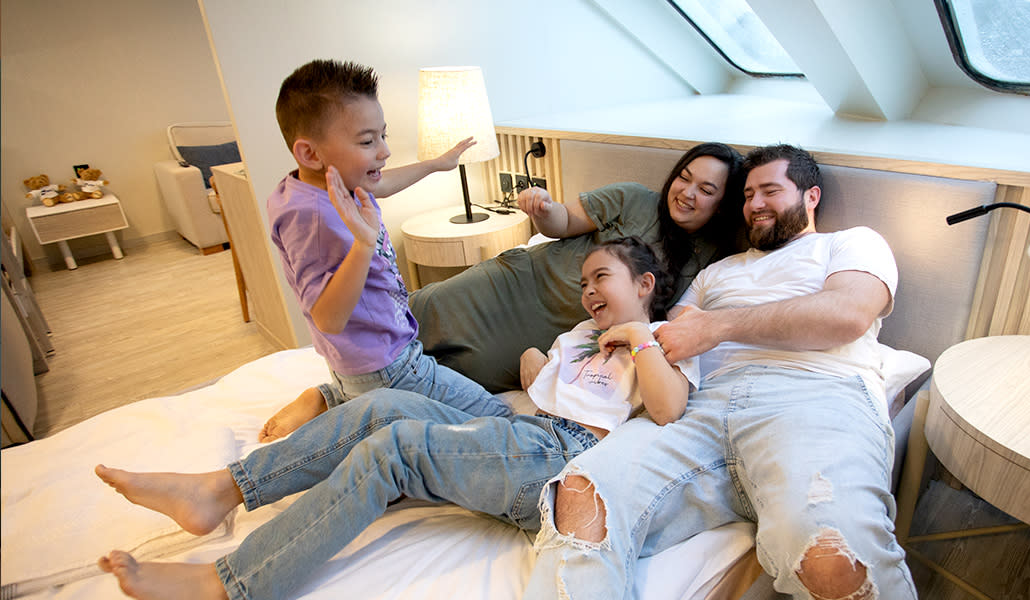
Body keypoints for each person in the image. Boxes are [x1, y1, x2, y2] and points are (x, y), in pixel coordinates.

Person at [95, 237, 701, 600]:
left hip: (559, 459)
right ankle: (221, 489)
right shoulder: (577, 335)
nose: (588, 291)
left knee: (399, 449)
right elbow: (536, 383)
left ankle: (232, 583)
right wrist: (538, 359)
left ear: (645, 283)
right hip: (523, 429)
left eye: (601, 278)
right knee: (380, 405)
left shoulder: (662, 339)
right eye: (583, 282)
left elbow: (670, 408)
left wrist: (639, 338)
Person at [523, 145, 918, 599]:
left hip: (812, 397)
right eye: (748, 195)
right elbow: (670, 339)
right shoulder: (716, 274)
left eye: (770, 191)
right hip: (700, 405)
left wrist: (718, 326)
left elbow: (846, 314)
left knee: (832, 557)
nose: (755, 205)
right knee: (581, 493)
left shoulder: (850, 243)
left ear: (811, 196)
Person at [260, 141, 745, 441]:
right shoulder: (634, 198)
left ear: (722, 204)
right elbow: (562, 224)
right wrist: (543, 208)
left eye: (707, 189)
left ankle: (331, 403)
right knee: (396, 329)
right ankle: (329, 393)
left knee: (437, 382)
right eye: (685, 177)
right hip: (509, 283)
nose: (688, 192)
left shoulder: (708, 265)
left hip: (540, 333)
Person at [254, 59, 514, 442]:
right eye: (367, 141)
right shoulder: (311, 217)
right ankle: (347, 406)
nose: (385, 151)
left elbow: (383, 184)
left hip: (368, 359)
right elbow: (327, 318)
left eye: (382, 135)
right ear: (310, 153)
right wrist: (363, 244)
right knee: (499, 418)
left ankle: (333, 397)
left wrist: (437, 165)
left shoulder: (323, 183)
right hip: (387, 366)